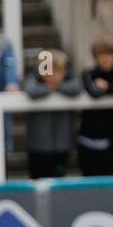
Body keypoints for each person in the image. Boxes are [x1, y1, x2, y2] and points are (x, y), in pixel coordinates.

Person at [23, 49, 83, 180]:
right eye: (50, 71)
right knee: (37, 180)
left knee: (58, 181)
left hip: (62, 145)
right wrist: (50, 87)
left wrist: (56, 85)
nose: (54, 75)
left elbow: (77, 88)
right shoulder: (34, 79)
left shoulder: (70, 79)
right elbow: (31, 90)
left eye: (58, 71)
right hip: (37, 146)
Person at [79, 39, 113, 177]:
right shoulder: (89, 73)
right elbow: (94, 92)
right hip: (90, 138)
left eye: (108, 55)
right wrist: (111, 90)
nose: (105, 60)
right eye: (100, 56)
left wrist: (108, 86)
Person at [0, 26, 18, 155]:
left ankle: (7, 150)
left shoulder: (4, 44)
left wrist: (11, 83)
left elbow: (10, 64)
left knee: (4, 131)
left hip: (1, 94)